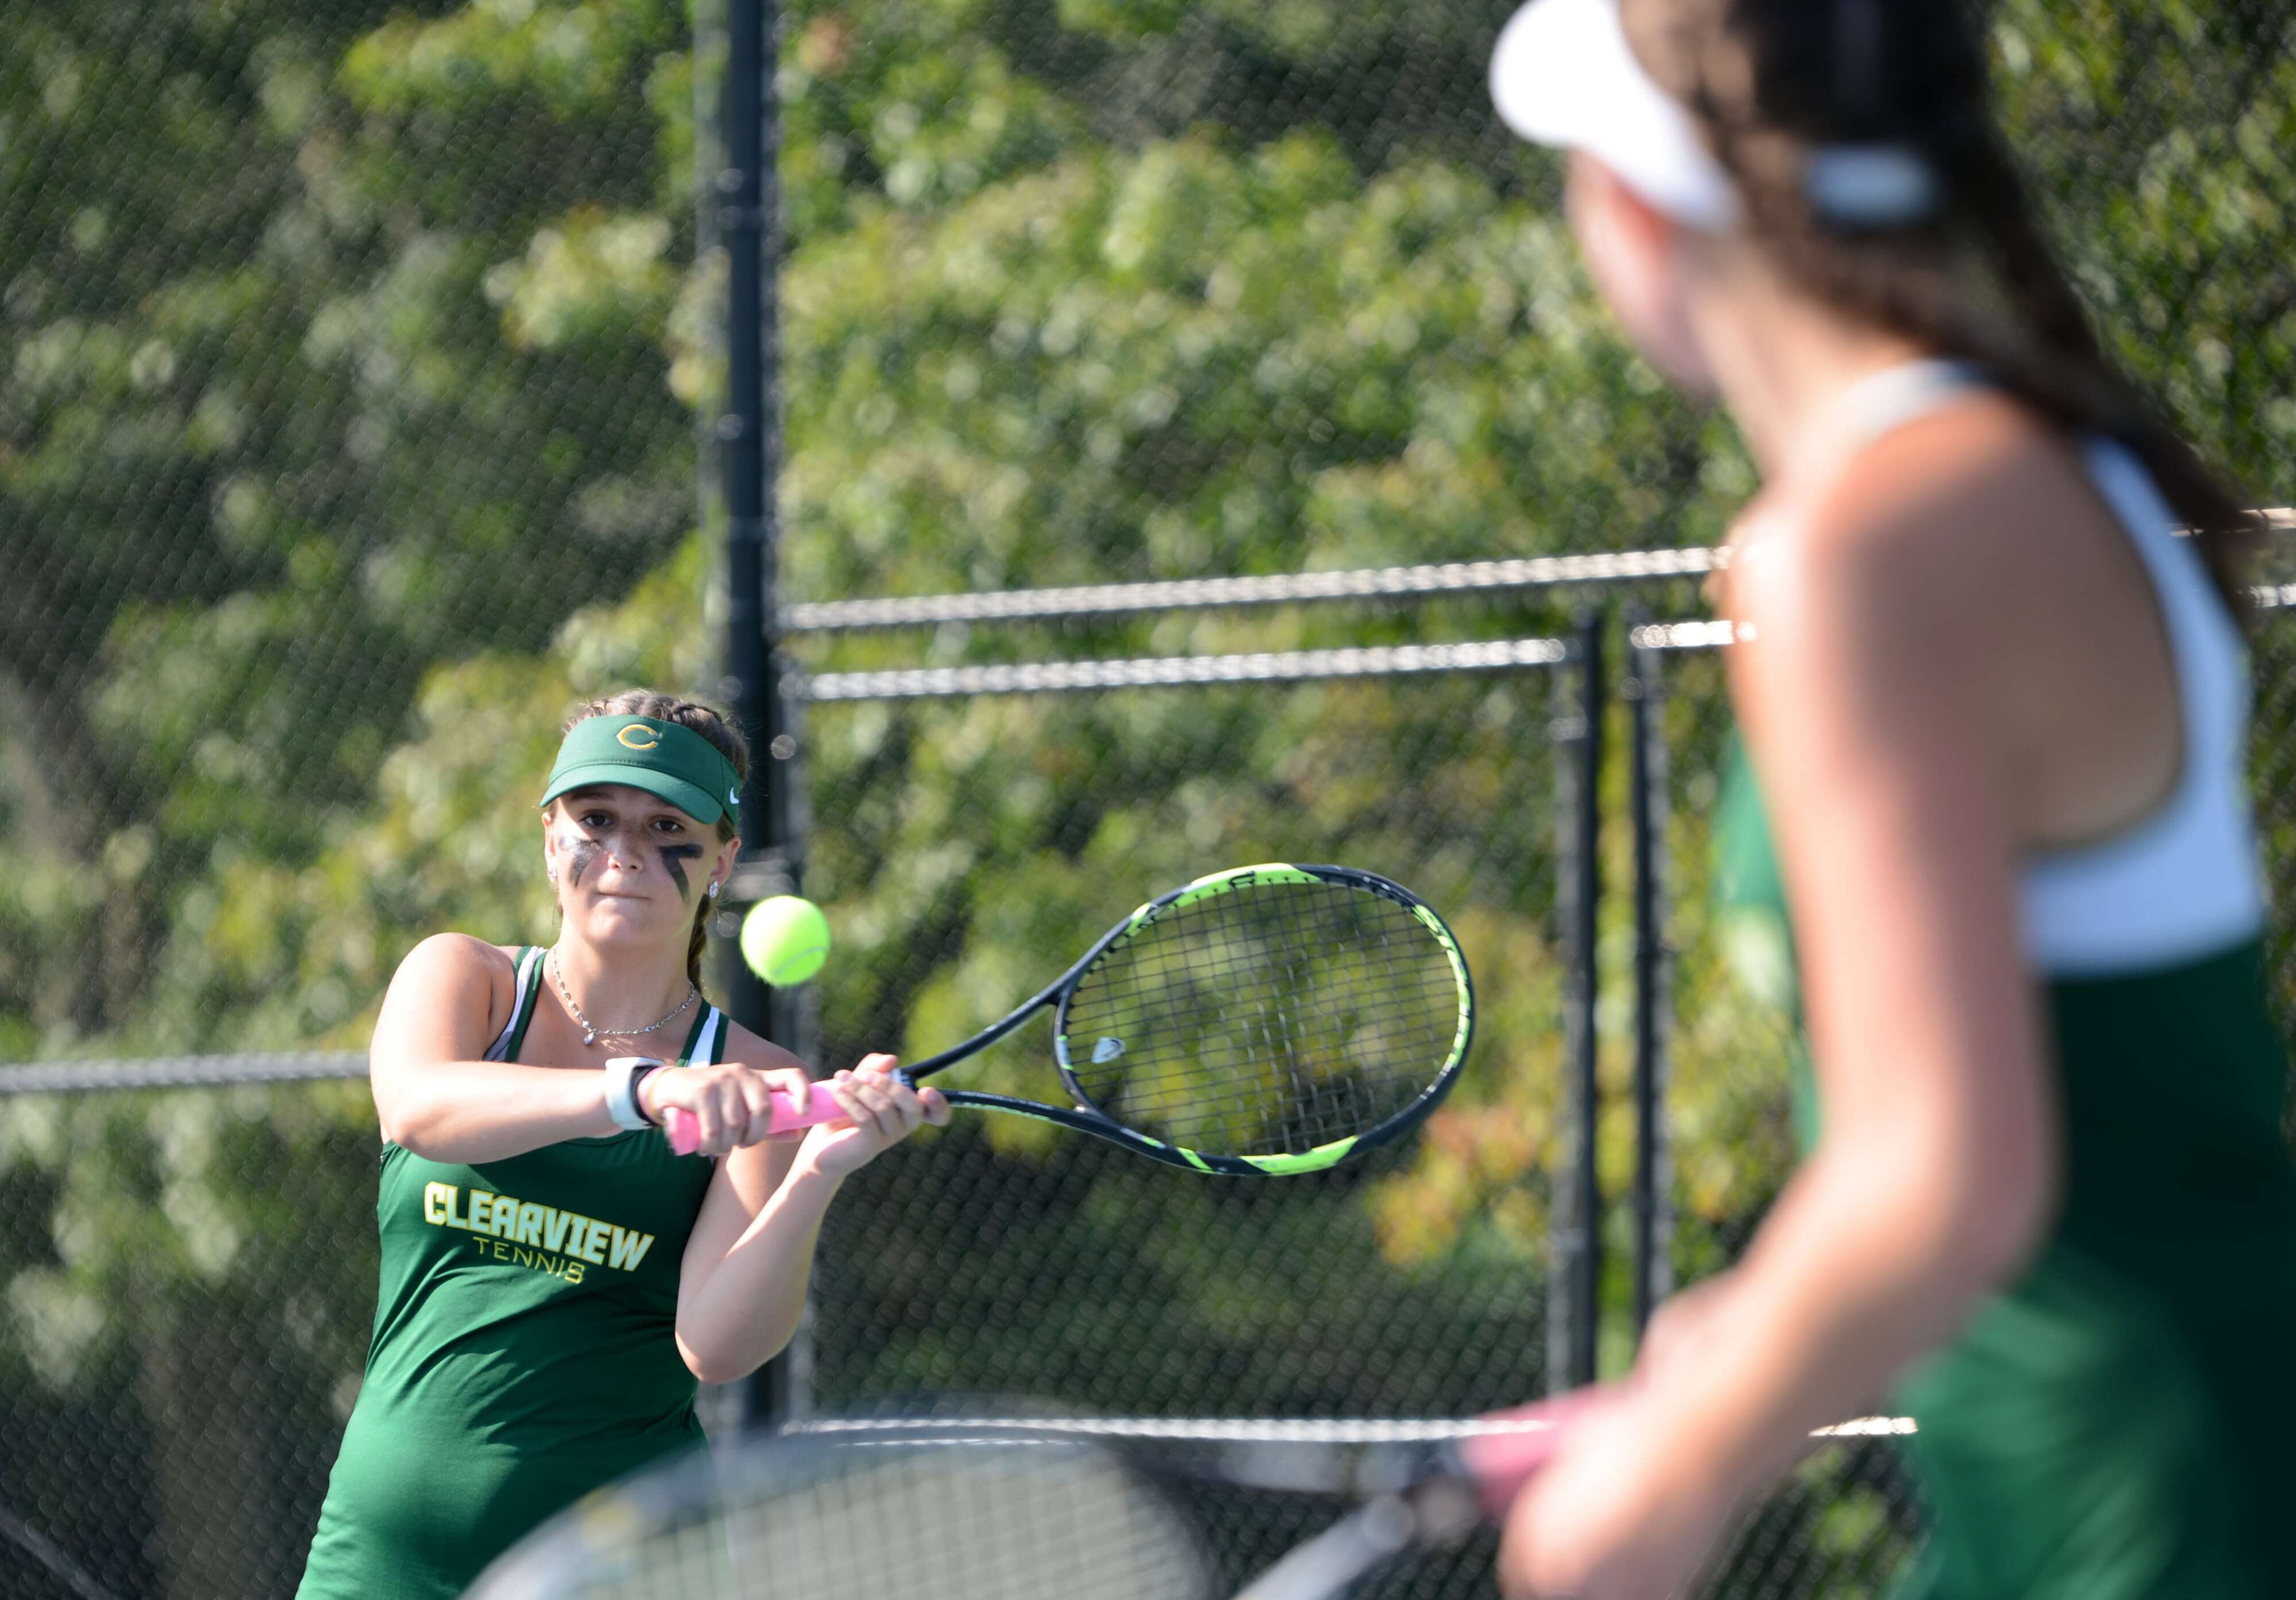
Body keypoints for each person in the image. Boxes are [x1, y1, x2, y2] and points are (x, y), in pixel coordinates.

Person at [1485, 1, 2296, 1595]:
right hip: (2148, 1472)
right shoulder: (2070, 473)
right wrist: (1753, 1335)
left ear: (1638, 204)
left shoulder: (1860, 546)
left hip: (2146, 1511)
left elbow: (1943, 1175)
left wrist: (1660, 1478)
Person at [296, 690, 947, 1600]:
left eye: (665, 825)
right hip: (380, 1560)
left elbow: (716, 1347)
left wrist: (818, 1170)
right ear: (548, 838)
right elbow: (416, 1107)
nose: (625, 853)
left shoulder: (753, 1078)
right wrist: (642, 1089)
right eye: (595, 818)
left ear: (722, 859)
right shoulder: (465, 979)